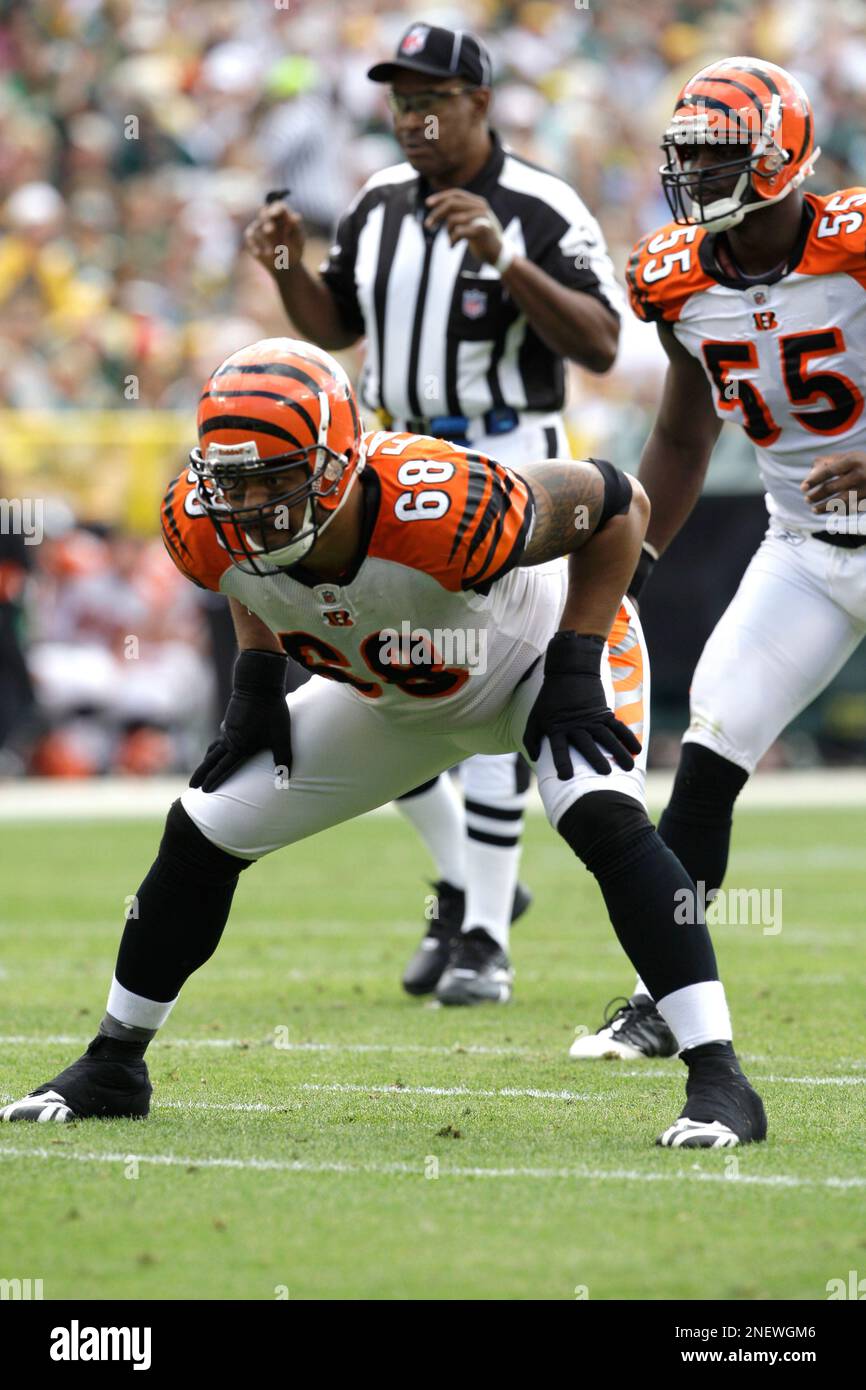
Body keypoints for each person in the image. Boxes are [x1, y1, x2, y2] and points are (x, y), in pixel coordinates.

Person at [1, 337, 766, 1148]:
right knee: (204, 826)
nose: (252, 505)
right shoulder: (203, 520)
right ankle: (116, 1063)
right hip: (400, 692)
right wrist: (257, 679)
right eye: (234, 482)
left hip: (536, 654)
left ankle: (719, 1076)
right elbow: (240, 573)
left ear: (338, 464)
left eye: (275, 480)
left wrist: (576, 660)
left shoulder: (440, 501)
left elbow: (618, 503)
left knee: (601, 815)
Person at [243, 22, 623, 1005]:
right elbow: (336, 325)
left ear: (479, 103)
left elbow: (597, 343)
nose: (413, 118)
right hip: (390, 453)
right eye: (400, 100)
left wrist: (507, 262)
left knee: (491, 684)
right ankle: (466, 887)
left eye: (432, 100)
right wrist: (288, 268)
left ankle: (483, 935)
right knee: (377, 676)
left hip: (508, 457)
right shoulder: (372, 203)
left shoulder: (540, 204)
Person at [571, 56, 866, 1059]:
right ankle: (666, 999)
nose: (693, 174)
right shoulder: (676, 274)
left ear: (778, 159)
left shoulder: (855, 243)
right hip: (802, 550)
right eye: (686, 154)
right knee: (706, 753)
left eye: (715, 155)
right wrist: (638, 552)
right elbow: (685, 439)